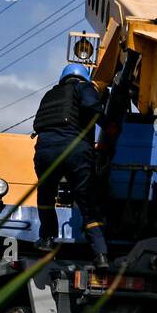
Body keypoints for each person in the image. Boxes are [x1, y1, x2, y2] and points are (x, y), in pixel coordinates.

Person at [30, 63, 109, 268]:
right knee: (86, 203)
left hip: (45, 151)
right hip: (75, 149)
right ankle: (101, 255)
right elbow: (91, 107)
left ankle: (47, 239)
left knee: (46, 195)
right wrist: (109, 125)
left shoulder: (50, 94)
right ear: (84, 77)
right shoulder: (84, 88)